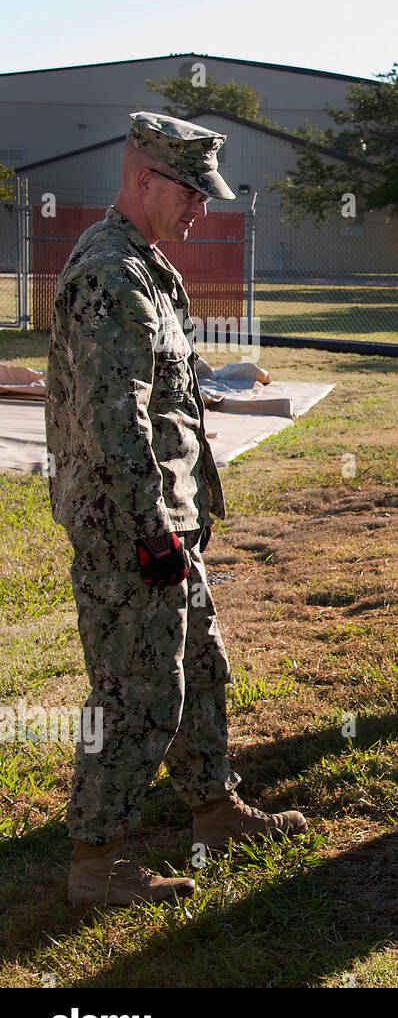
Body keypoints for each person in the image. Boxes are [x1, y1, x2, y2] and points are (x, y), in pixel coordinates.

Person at [47, 112, 307, 907]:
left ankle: (213, 811)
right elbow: (112, 420)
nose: (202, 209)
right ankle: (99, 863)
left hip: (172, 517)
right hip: (130, 524)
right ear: (144, 180)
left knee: (203, 667)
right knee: (137, 689)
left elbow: (168, 391)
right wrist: (151, 529)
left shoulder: (152, 271)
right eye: (192, 193)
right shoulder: (109, 276)